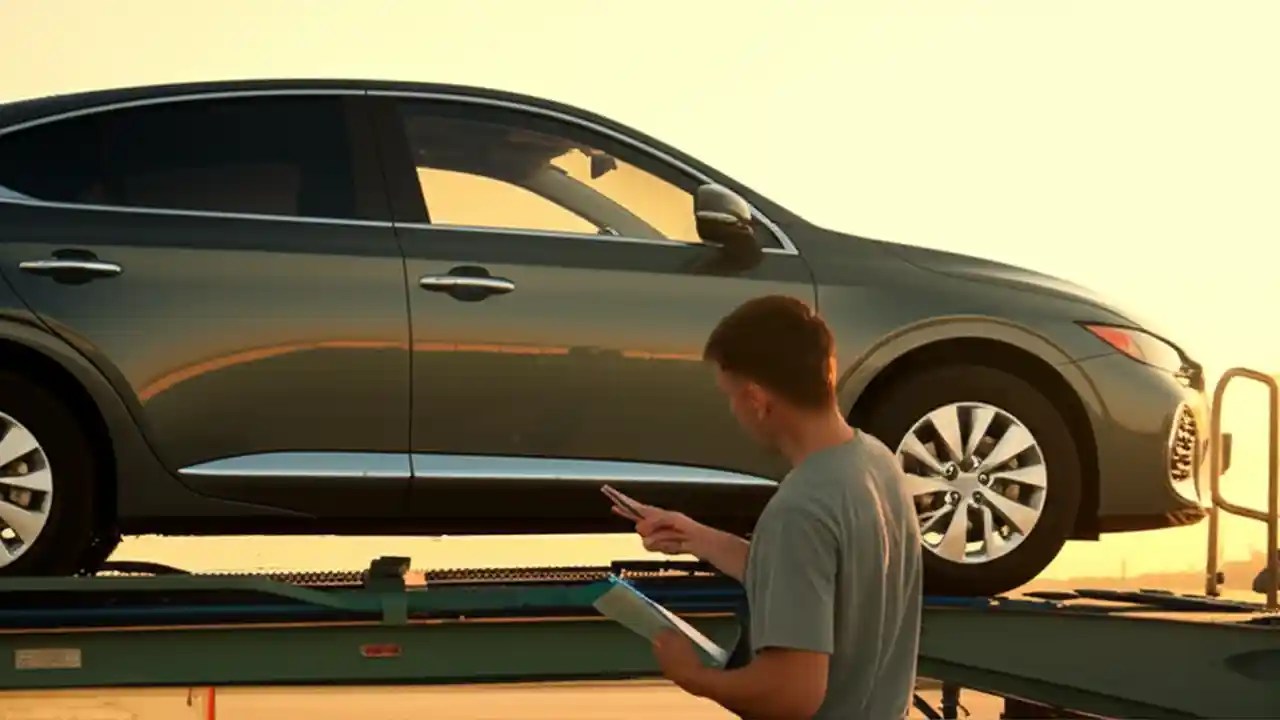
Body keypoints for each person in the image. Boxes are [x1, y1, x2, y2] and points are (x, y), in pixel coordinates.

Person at [615, 295, 923, 719]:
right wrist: (696, 536)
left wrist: (693, 677)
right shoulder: (876, 462)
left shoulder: (800, 509)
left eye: (731, 396)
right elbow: (813, 582)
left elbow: (791, 696)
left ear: (758, 400)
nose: (733, 409)